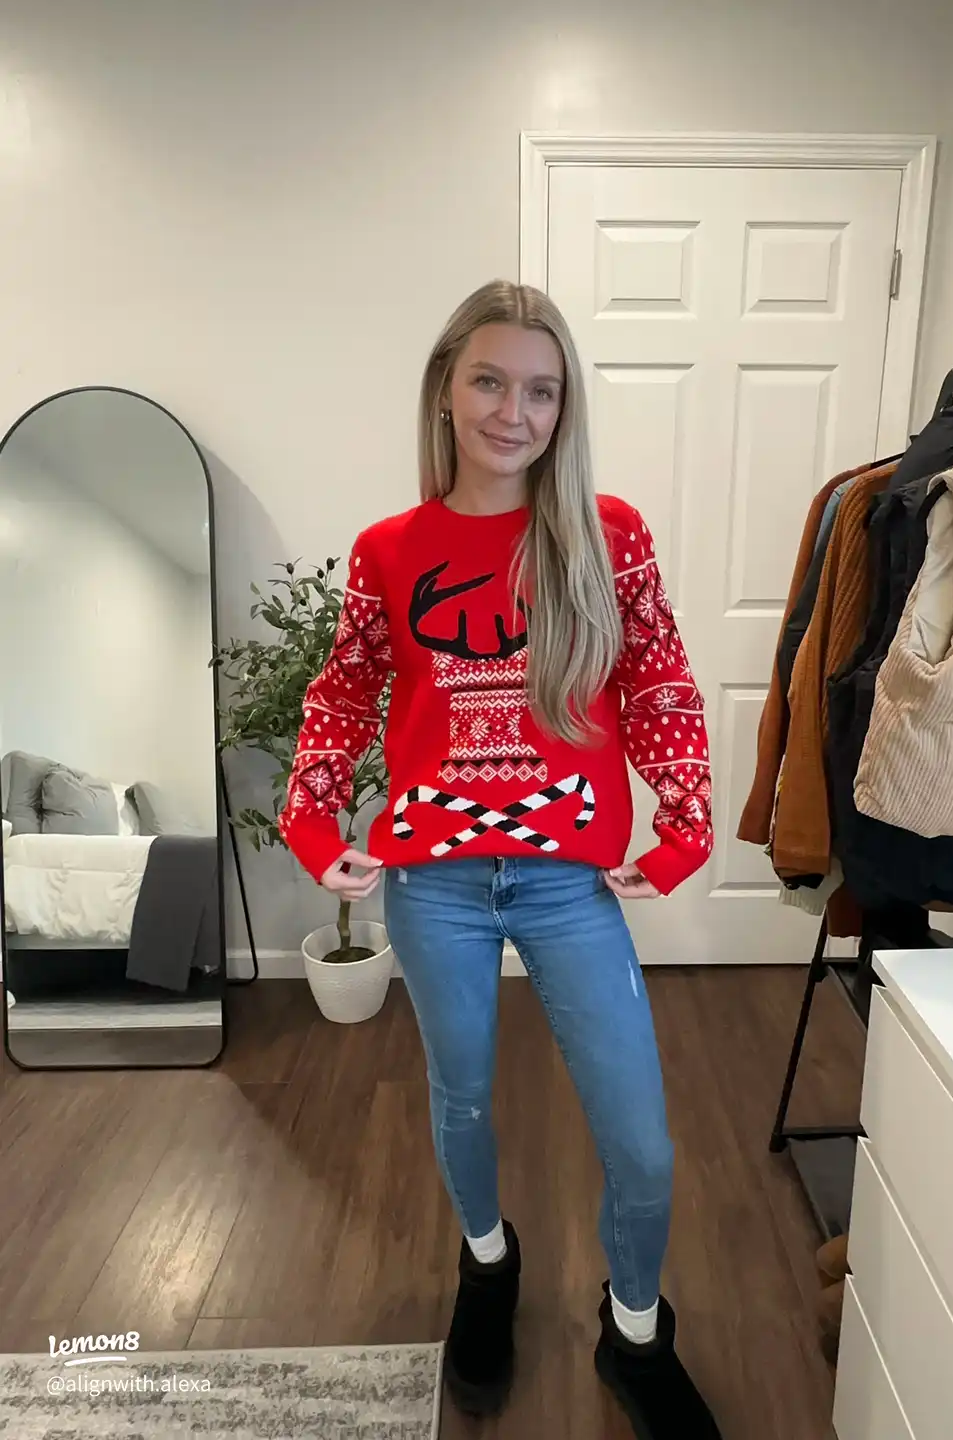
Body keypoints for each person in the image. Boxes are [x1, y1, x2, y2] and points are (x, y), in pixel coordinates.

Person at [278, 280, 721, 1439]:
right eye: (489, 381)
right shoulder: (389, 552)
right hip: (434, 887)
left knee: (641, 1143)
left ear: (563, 407)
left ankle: (635, 1331)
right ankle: (487, 1259)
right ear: (446, 389)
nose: (513, 412)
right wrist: (316, 826)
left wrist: (683, 826)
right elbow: (344, 695)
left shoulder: (607, 535)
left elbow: (659, 681)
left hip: (569, 882)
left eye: (541, 390)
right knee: (461, 1093)